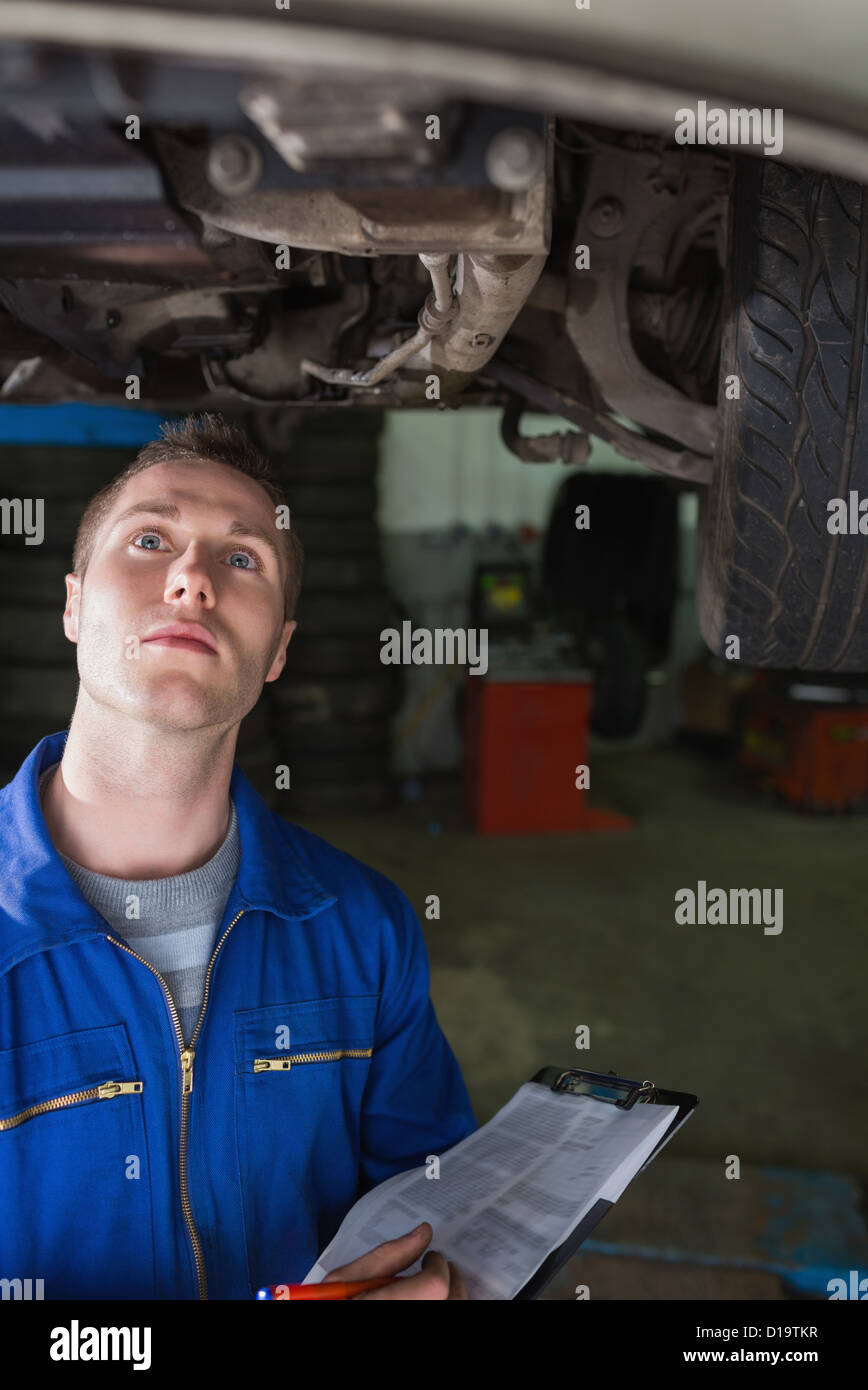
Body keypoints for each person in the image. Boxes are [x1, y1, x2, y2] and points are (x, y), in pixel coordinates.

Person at [0, 413, 476, 1300]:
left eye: (242, 558)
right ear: (70, 606)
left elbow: (432, 1209)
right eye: (150, 540)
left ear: (280, 653)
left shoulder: (364, 927)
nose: (190, 578)